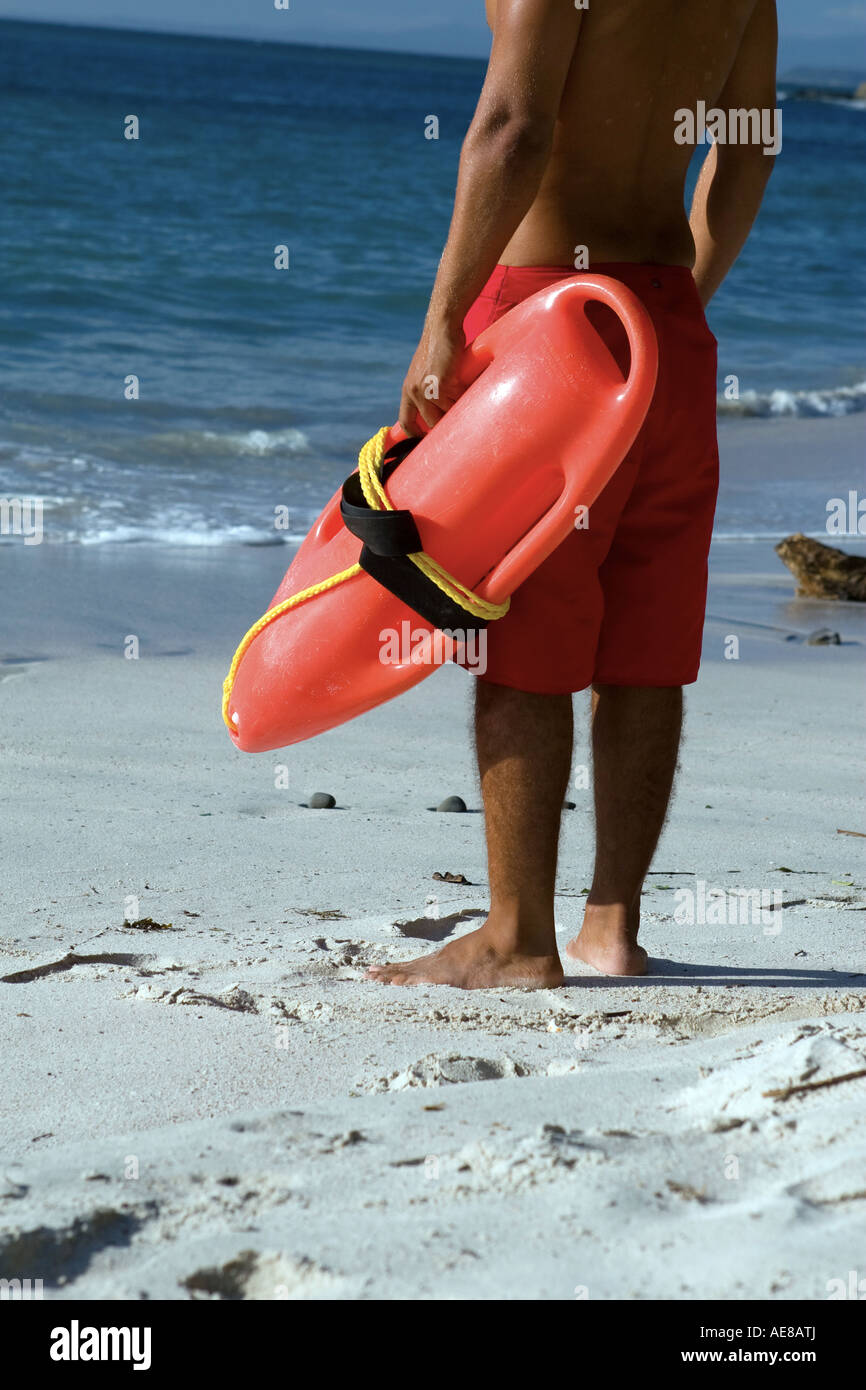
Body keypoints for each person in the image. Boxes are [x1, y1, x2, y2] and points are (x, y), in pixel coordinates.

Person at [367, 0, 777, 989]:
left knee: (522, 625)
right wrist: (675, 300)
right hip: (664, 326)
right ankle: (611, 925)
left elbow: (513, 127)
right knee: (646, 635)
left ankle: (514, 939)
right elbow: (749, 148)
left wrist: (443, 324)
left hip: (548, 315)